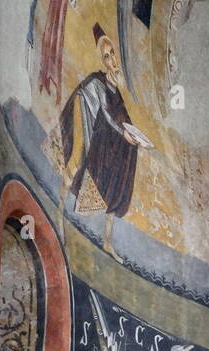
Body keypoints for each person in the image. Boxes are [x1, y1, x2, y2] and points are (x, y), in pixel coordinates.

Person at [56, 25, 144, 262]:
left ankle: (107, 241)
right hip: (85, 115)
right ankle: (59, 214)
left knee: (121, 165)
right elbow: (105, 112)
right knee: (76, 159)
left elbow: (121, 113)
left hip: (103, 129)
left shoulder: (114, 84)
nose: (111, 59)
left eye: (112, 53)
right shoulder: (96, 81)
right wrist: (122, 131)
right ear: (101, 60)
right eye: (106, 56)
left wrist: (133, 135)